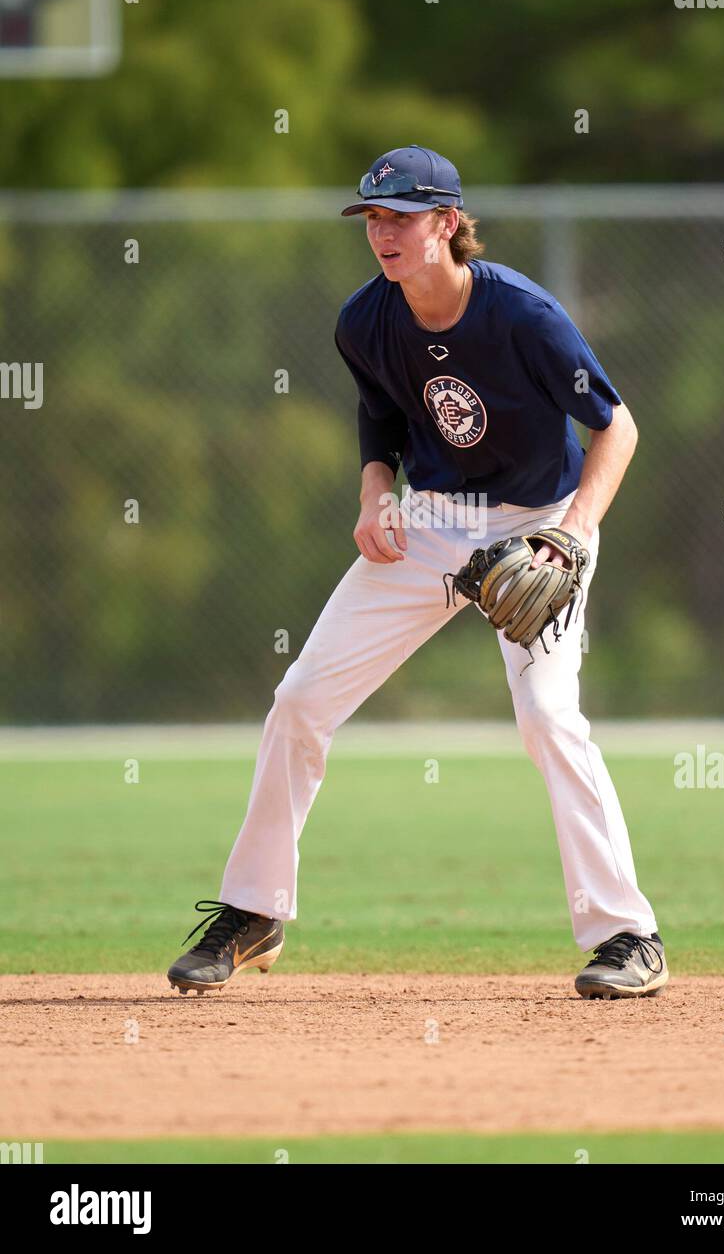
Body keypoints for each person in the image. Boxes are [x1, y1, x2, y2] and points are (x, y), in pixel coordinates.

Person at [167, 145, 667, 1001]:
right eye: (373, 218)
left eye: (401, 217)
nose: (383, 233)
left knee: (549, 717)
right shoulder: (365, 320)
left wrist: (573, 536)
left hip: (538, 526)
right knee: (301, 701)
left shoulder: (522, 315)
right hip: (432, 523)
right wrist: (374, 494)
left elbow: (615, 428)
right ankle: (253, 913)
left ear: (447, 223)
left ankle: (629, 936)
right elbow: (382, 417)